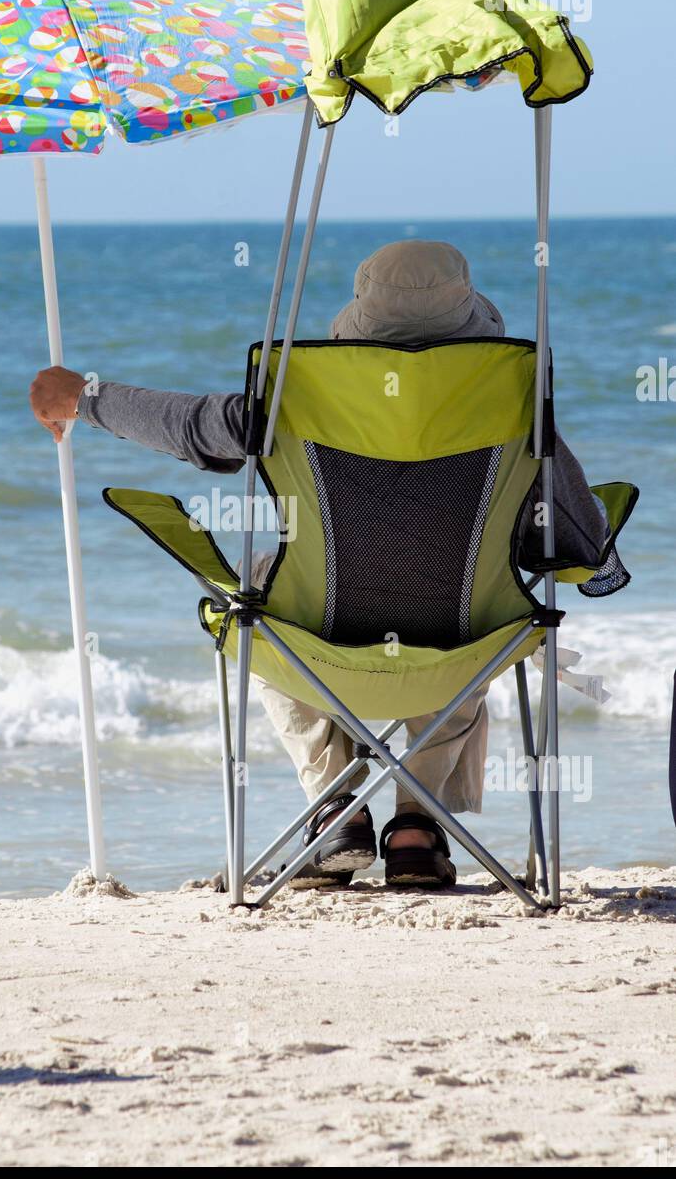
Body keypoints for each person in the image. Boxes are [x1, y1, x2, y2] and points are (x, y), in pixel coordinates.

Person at [30, 241, 608, 889]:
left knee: (256, 581)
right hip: (456, 663)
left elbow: (190, 427)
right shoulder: (517, 401)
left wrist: (88, 397)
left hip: (317, 651)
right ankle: (416, 829)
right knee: (481, 593)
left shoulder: (291, 395)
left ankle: (336, 806)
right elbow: (586, 542)